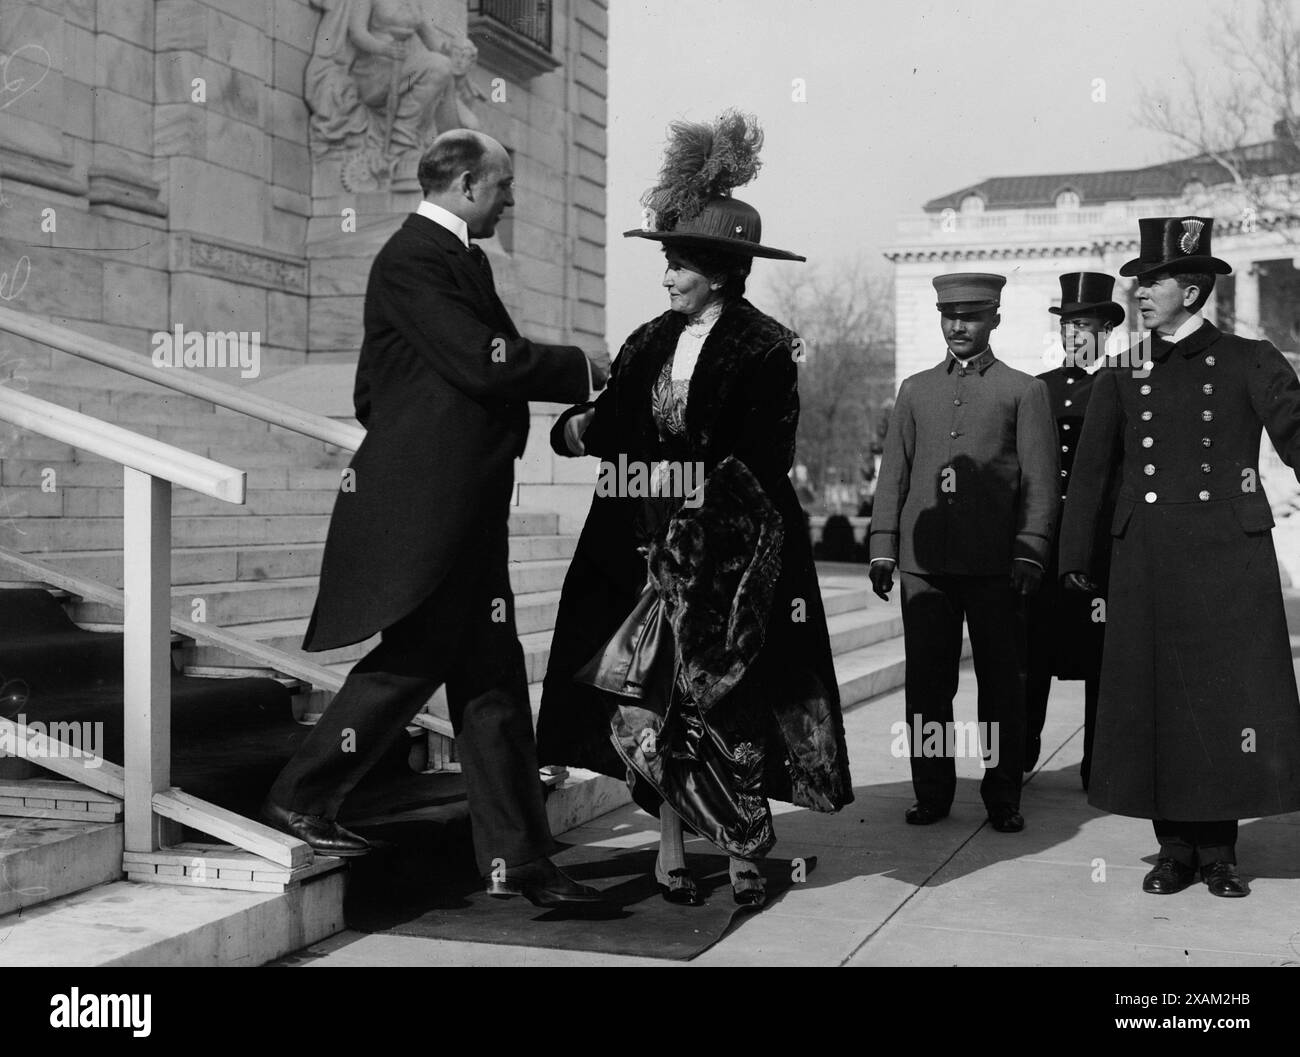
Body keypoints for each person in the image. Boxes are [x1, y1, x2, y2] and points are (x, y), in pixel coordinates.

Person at [260, 130, 612, 910]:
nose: (511, 198)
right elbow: (484, 358)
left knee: (488, 681)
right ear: (461, 183)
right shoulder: (416, 255)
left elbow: (375, 389)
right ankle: (301, 795)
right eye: (502, 185)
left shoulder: (451, 258)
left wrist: (435, 437)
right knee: (424, 656)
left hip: (460, 507)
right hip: (435, 514)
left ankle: (521, 860)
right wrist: (585, 366)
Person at [536, 111, 853, 909]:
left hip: (730, 563)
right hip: (639, 555)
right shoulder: (649, 339)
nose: (667, 274)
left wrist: (696, 534)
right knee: (652, 707)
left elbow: (759, 464)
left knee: (729, 703)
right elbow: (611, 424)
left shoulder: (766, 349)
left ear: (718, 269)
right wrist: (568, 433)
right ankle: (671, 839)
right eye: (668, 260)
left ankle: (746, 850)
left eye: (678, 262)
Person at [1059, 216, 1300, 898]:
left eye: (1153, 280)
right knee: (1159, 701)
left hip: (1229, 557)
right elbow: (1096, 474)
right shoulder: (1123, 368)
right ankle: (1173, 848)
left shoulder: (1252, 359)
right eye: (1138, 281)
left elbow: (1295, 431)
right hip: (1149, 560)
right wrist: (1078, 555)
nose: (1138, 291)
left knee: (1224, 705)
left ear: (1192, 291)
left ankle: (1219, 849)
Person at [868, 273, 1058, 833]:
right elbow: (893, 474)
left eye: (970, 316)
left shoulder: (1024, 391)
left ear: (994, 319)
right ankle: (931, 792)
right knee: (928, 685)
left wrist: (1031, 551)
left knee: (1003, 685)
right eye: (948, 316)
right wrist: (884, 547)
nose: (958, 326)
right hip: (925, 568)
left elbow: (1040, 482)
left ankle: (1003, 795)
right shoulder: (916, 389)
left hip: (997, 566)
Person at [1024, 272, 1122, 788]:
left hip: (1099, 543)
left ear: (1107, 331)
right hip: (1046, 539)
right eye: (1068, 326)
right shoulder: (1040, 387)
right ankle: (1020, 752)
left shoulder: (1125, 382)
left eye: (1084, 326)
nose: (1074, 336)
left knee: (1099, 659)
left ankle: (1096, 764)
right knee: (1031, 651)